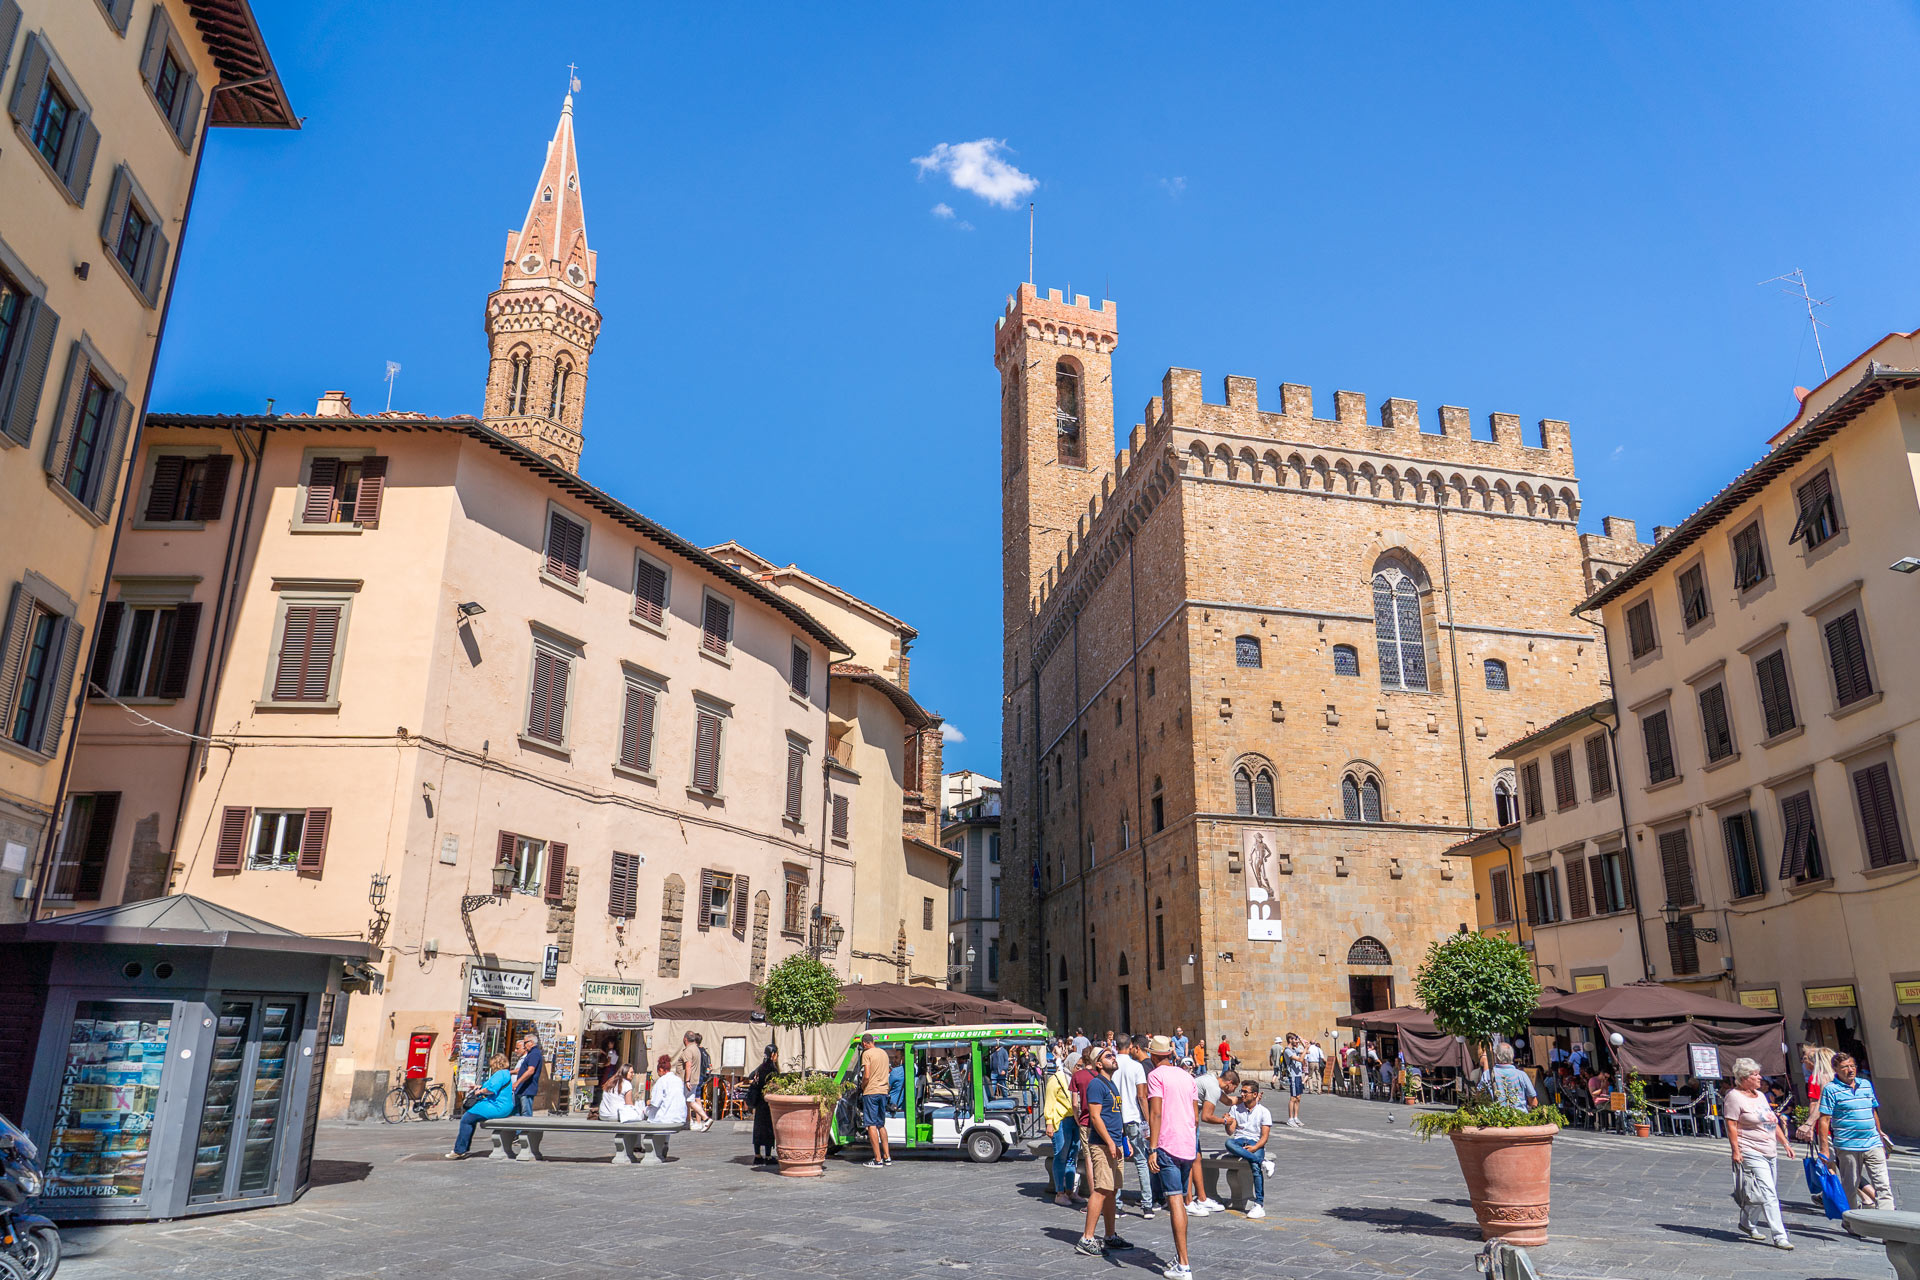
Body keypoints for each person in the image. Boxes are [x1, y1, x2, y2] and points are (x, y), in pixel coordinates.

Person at [1724, 1056, 1793, 1250]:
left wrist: (1785, 1143)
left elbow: (1771, 1121)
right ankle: (1780, 1236)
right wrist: (1736, 1151)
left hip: (1770, 1150)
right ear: (1744, 1077)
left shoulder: (1761, 1096)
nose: (1760, 1078)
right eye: (1755, 1075)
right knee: (1769, 1193)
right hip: (1750, 1149)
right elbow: (1731, 1125)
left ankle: (1746, 1222)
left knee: (1761, 1191)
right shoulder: (1734, 1097)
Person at [1073, 1046, 1134, 1256]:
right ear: (1098, 1063)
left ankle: (1110, 1235)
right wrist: (1109, 1141)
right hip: (1102, 1144)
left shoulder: (1111, 1084)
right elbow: (1095, 1116)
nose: (1113, 1058)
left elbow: (1115, 1115)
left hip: (1115, 1143)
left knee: (1112, 1190)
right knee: (1100, 1190)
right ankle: (1087, 1238)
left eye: (1113, 1055)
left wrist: (1124, 1140)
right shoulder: (1096, 1084)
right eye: (1108, 1056)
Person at [1146, 1035, 1198, 1280]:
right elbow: (1195, 1116)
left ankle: (1184, 1265)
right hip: (1187, 1144)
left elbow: (1155, 1112)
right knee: (1181, 1201)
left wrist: (1153, 1147)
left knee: (1175, 1200)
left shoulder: (1155, 1076)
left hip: (1167, 1143)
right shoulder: (1188, 1076)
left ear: (1153, 1056)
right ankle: (1181, 1256)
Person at [1817, 1053, 1896, 1211]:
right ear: (1835, 1069)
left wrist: (1880, 1133)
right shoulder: (1831, 1089)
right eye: (1845, 1067)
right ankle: (1850, 1220)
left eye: (1852, 1066)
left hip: (1873, 1143)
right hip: (1848, 1146)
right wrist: (1825, 1148)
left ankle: (1888, 1222)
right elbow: (1824, 1120)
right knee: (1850, 1188)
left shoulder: (1865, 1084)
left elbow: (1872, 1111)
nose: (1850, 1070)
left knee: (1883, 1186)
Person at [1220, 1079, 1273, 1218]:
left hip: (1255, 1142)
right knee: (1228, 1143)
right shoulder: (1235, 1108)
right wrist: (1227, 1122)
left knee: (1255, 1167)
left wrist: (1255, 1147)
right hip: (1239, 1141)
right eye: (1241, 1091)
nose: (1242, 1094)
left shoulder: (1264, 1112)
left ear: (1255, 1094)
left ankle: (1259, 1204)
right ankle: (1263, 1162)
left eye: (1245, 1092)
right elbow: (1230, 1132)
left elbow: (1264, 1137)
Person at [1116, 1034, 1155, 1217]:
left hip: (1115, 1119)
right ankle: (1147, 1205)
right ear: (1130, 1045)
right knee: (1141, 1161)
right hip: (1133, 1117)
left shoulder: (1111, 1064)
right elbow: (1142, 1096)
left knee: (1117, 1162)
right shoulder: (1136, 1066)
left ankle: (1116, 1204)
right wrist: (1147, 1120)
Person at [447, 1053, 515, 1158]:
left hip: (497, 1106)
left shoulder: (499, 1074)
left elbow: (492, 1089)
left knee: (466, 1119)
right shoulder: (505, 1073)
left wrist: (480, 1091)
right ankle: (462, 1148)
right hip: (504, 1106)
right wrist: (478, 1086)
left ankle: (459, 1150)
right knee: (470, 1119)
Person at [1043, 1046, 1082, 1206]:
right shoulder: (1057, 1078)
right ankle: (1059, 1192)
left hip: (1075, 1120)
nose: (1079, 1068)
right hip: (1061, 1120)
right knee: (1061, 1155)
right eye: (1078, 1066)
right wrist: (1049, 1123)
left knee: (1073, 1156)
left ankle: (1070, 1190)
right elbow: (1050, 1101)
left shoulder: (1077, 1079)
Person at [856, 1032, 892, 1168]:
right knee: (880, 1124)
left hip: (871, 1091)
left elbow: (866, 1075)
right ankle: (887, 1156)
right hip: (883, 1091)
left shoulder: (867, 1054)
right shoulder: (884, 1053)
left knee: (870, 1124)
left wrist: (862, 1086)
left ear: (864, 1043)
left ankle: (877, 1159)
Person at [646, 1052, 688, 1155]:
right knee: (665, 1110)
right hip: (680, 1116)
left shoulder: (662, 1081)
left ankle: (649, 1145)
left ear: (661, 1070)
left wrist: (649, 1102)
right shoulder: (678, 1080)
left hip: (666, 1117)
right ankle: (665, 1142)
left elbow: (655, 1102)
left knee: (646, 1112)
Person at [745, 1043, 780, 1165]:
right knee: (769, 1128)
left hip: (759, 1102)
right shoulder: (772, 1069)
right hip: (768, 1102)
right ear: (773, 1054)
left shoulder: (760, 1067)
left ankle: (757, 1155)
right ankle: (768, 1156)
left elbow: (750, 1076)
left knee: (758, 1128)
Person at [1487, 1043, 1537, 1109]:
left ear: (1496, 1056)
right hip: (1519, 1113)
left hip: (1495, 1113)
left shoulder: (1487, 1074)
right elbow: (1533, 1101)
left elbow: (1479, 1097)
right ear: (1512, 1056)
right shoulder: (1521, 1075)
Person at [510, 1032, 543, 1116]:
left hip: (527, 1089)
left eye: (525, 1043)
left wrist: (517, 1083)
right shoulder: (530, 1054)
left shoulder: (534, 1054)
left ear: (531, 1042)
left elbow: (530, 1071)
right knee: (517, 1112)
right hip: (522, 1089)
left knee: (525, 1114)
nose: (524, 1046)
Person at [1281, 1032, 1307, 1128]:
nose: (1297, 1042)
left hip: (1298, 1075)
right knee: (1293, 1098)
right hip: (1293, 1076)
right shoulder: (1288, 1051)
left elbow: (1307, 1051)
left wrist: (1302, 1041)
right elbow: (1300, 1059)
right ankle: (1290, 1119)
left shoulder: (1295, 1049)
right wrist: (1305, 1049)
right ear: (1290, 1040)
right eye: (1295, 1040)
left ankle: (1296, 1117)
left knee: (1298, 1097)